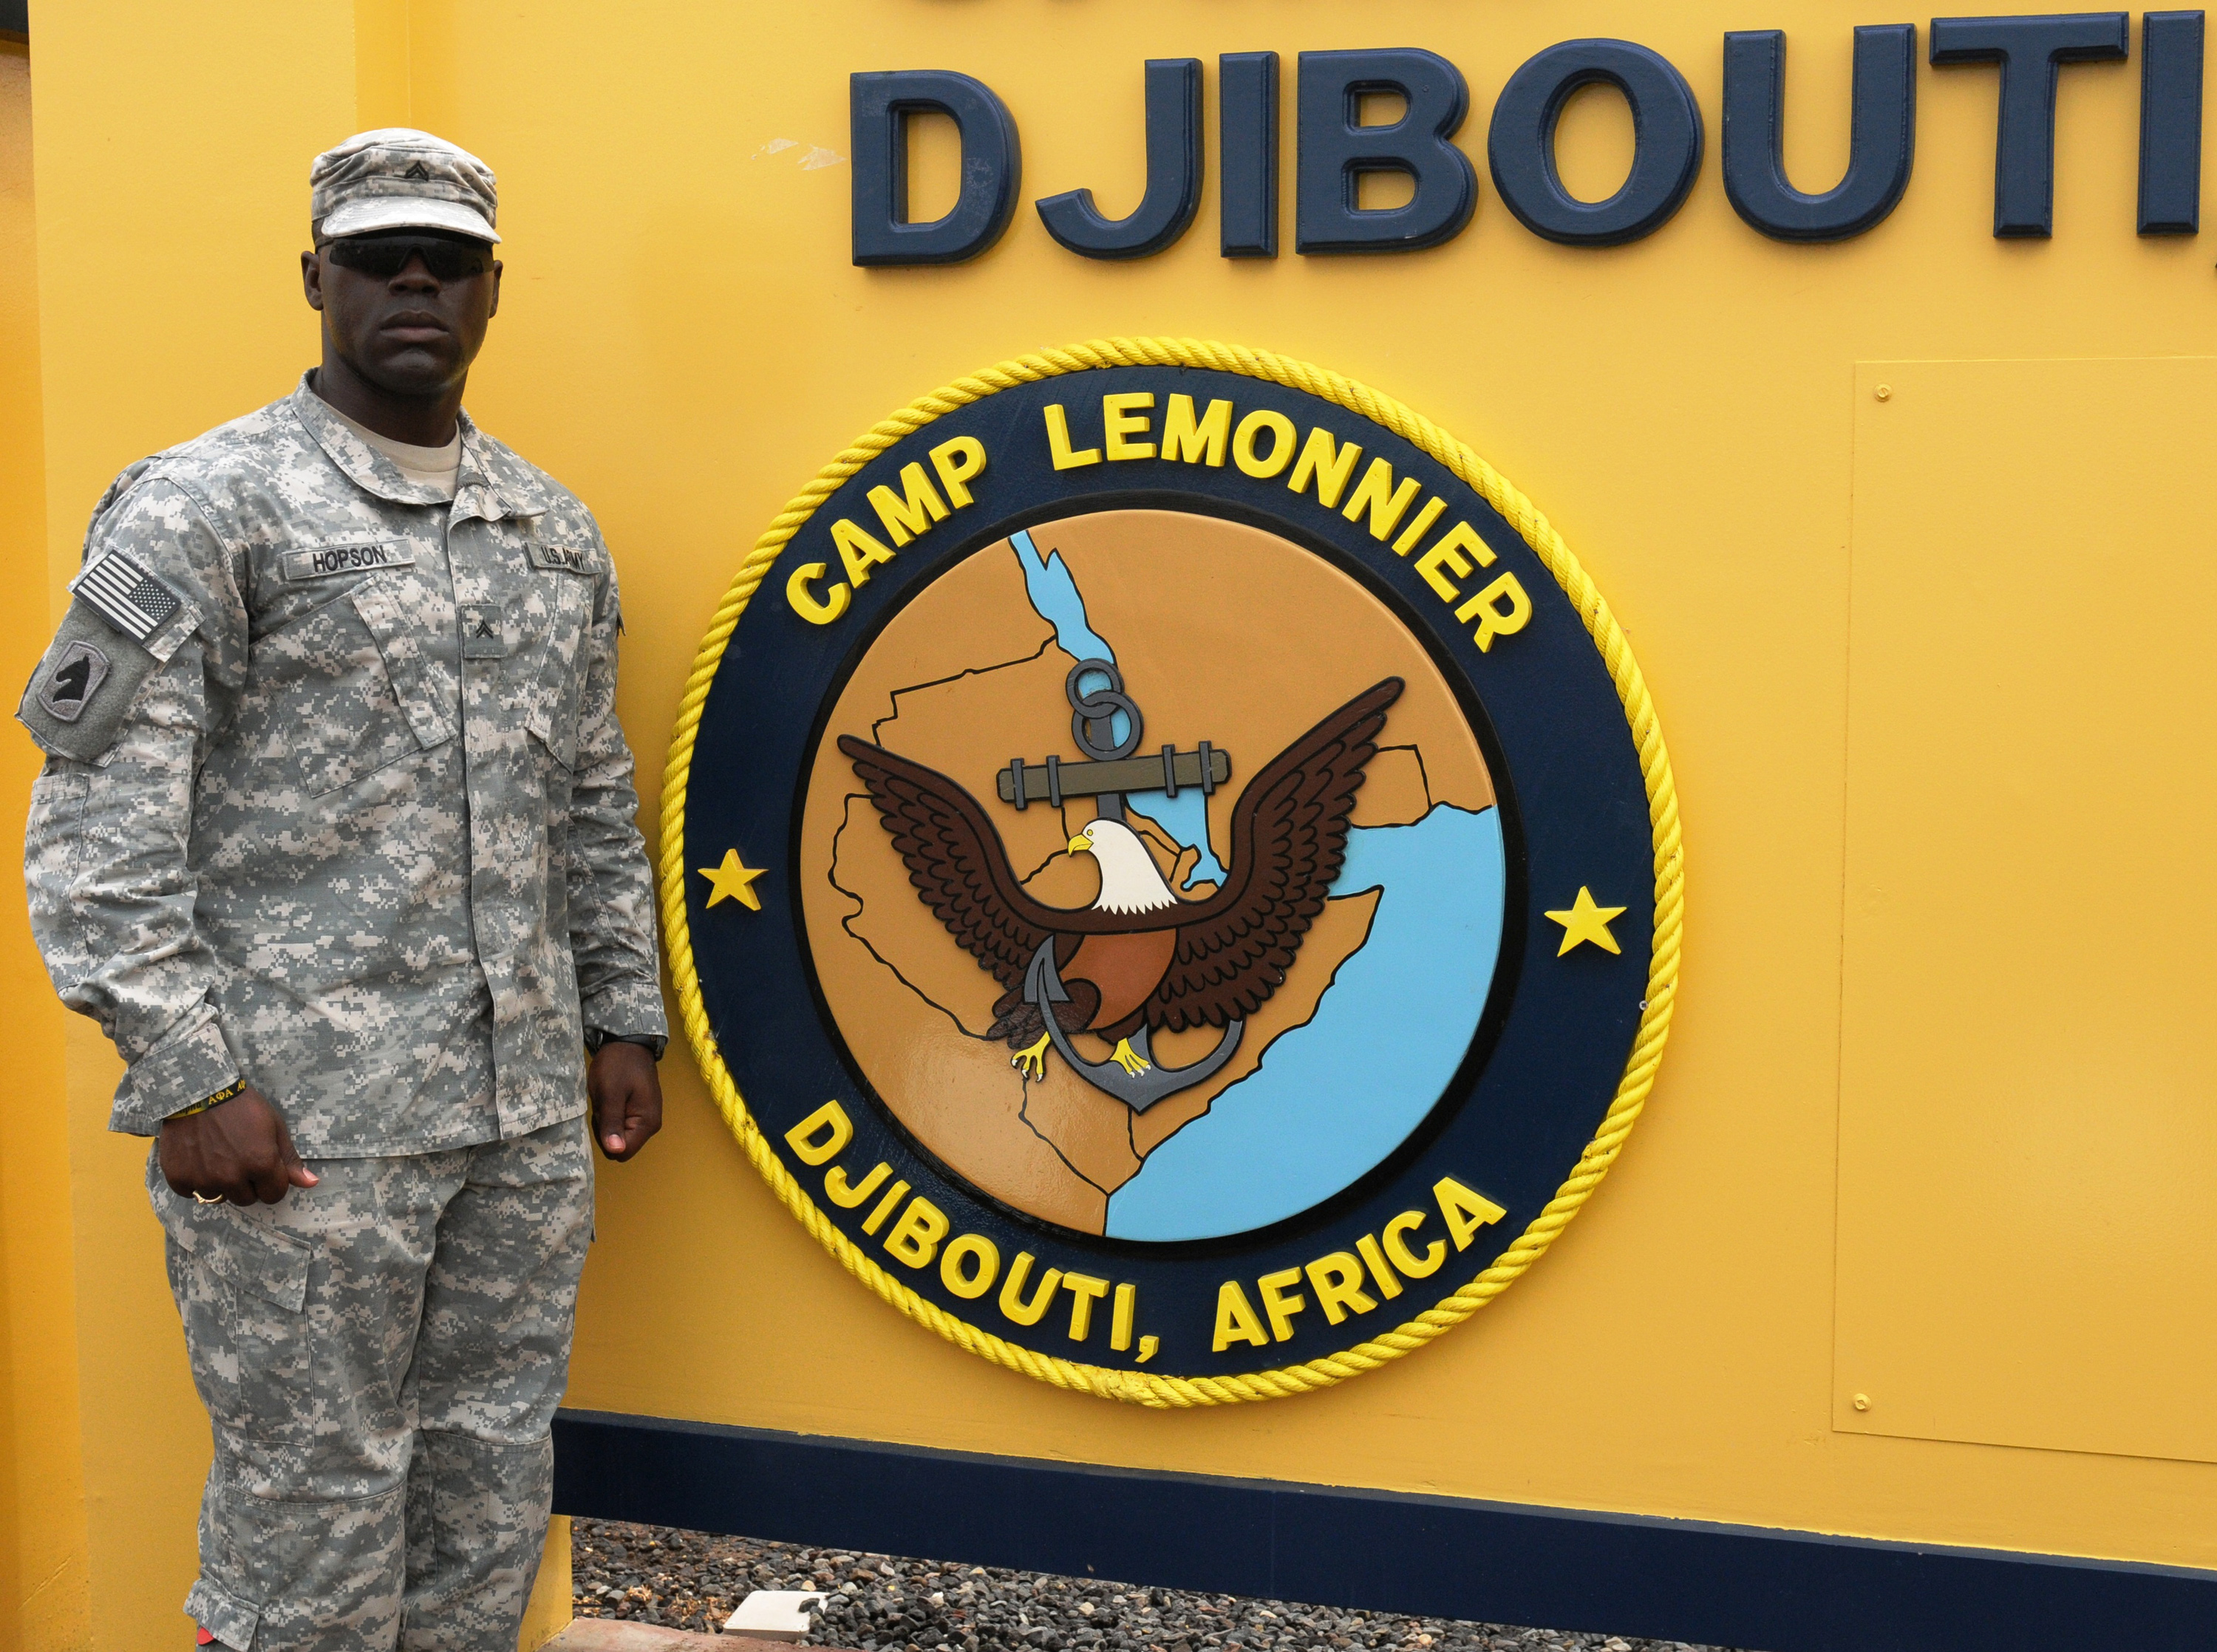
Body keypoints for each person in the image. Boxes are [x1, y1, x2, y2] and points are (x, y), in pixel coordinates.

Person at [17, 128, 668, 1651]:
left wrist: (620, 1012)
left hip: (516, 1122)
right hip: (297, 1126)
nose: (415, 284)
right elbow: (99, 825)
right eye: (380, 260)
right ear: (316, 277)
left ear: (494, 289)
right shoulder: (202, 508)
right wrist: (188, 1074)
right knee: (310, 1508)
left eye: (446, 261)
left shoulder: (548, 529)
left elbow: (587, 794)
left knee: (490, 1481)